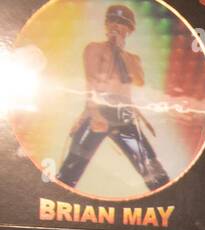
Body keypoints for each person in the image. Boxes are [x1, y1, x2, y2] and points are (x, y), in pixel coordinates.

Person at [57, 4, 170, 192]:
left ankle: (166, 200)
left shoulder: (132, 58)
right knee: (71, 169)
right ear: (106, 25)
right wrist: (94, 113)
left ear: (129, 30)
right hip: (99, 108)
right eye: (113, 21)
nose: (117, 26)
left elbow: (139, 80)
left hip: (124, 114)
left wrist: (120, 51)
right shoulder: (94, 48)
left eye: (122, 23)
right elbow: (91, 81)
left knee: (153, 170)